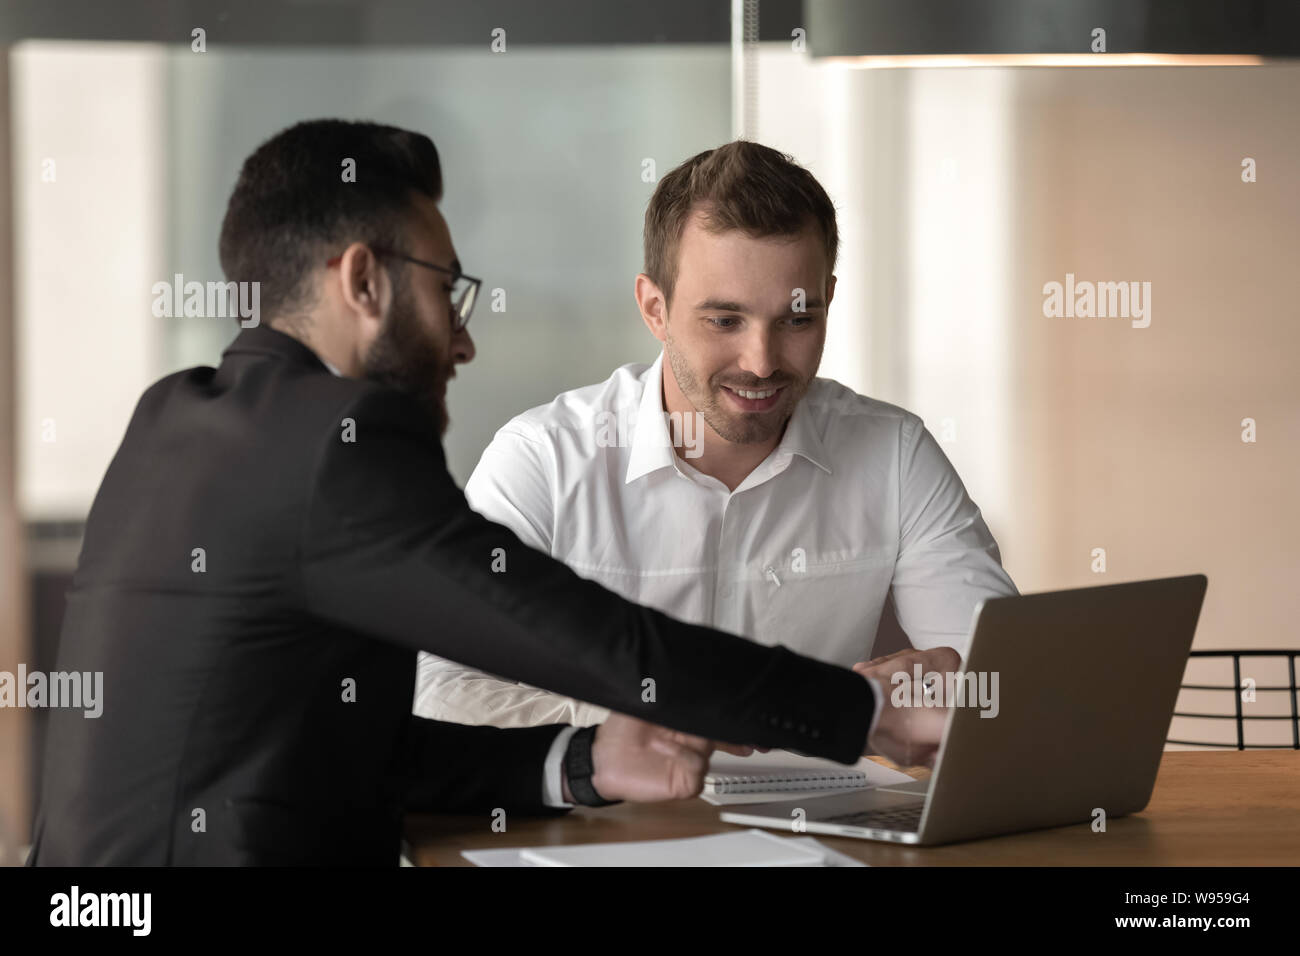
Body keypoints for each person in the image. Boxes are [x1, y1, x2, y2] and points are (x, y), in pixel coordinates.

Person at [28, 120, 942, 867]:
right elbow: (590, 636)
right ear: (363, 281)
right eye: (447, 292)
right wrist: (861, 713)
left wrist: (578, 761)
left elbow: (348, 750)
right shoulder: (339, 446)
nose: (462, 342)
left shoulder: (176, 420)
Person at [416, 140, 1018, 729]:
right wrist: (661, 722)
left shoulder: (894, 453)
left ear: (829, 300)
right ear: (655, 309)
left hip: (816, 826)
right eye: (725, 320)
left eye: (797, 319)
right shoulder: (544, 461)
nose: (761, 361)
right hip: (603, 824)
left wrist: (947, 692)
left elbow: (1005, 678)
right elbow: (437, 687)